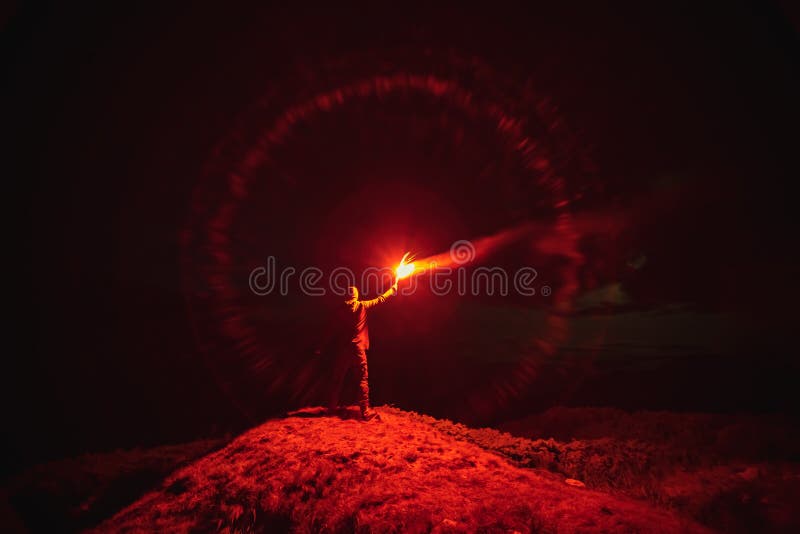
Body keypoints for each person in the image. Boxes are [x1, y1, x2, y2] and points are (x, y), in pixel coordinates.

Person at [328, 281, 398, 421]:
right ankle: (365, 412)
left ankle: (331, 407)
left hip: (344, 348)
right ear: (356, 295)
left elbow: (331, 329)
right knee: (362, 379)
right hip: (358, 348)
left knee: (337, 378)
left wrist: (321, 346)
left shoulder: (340, 309)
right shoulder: (362, 305)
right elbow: (381, 299)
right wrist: (393, 289)